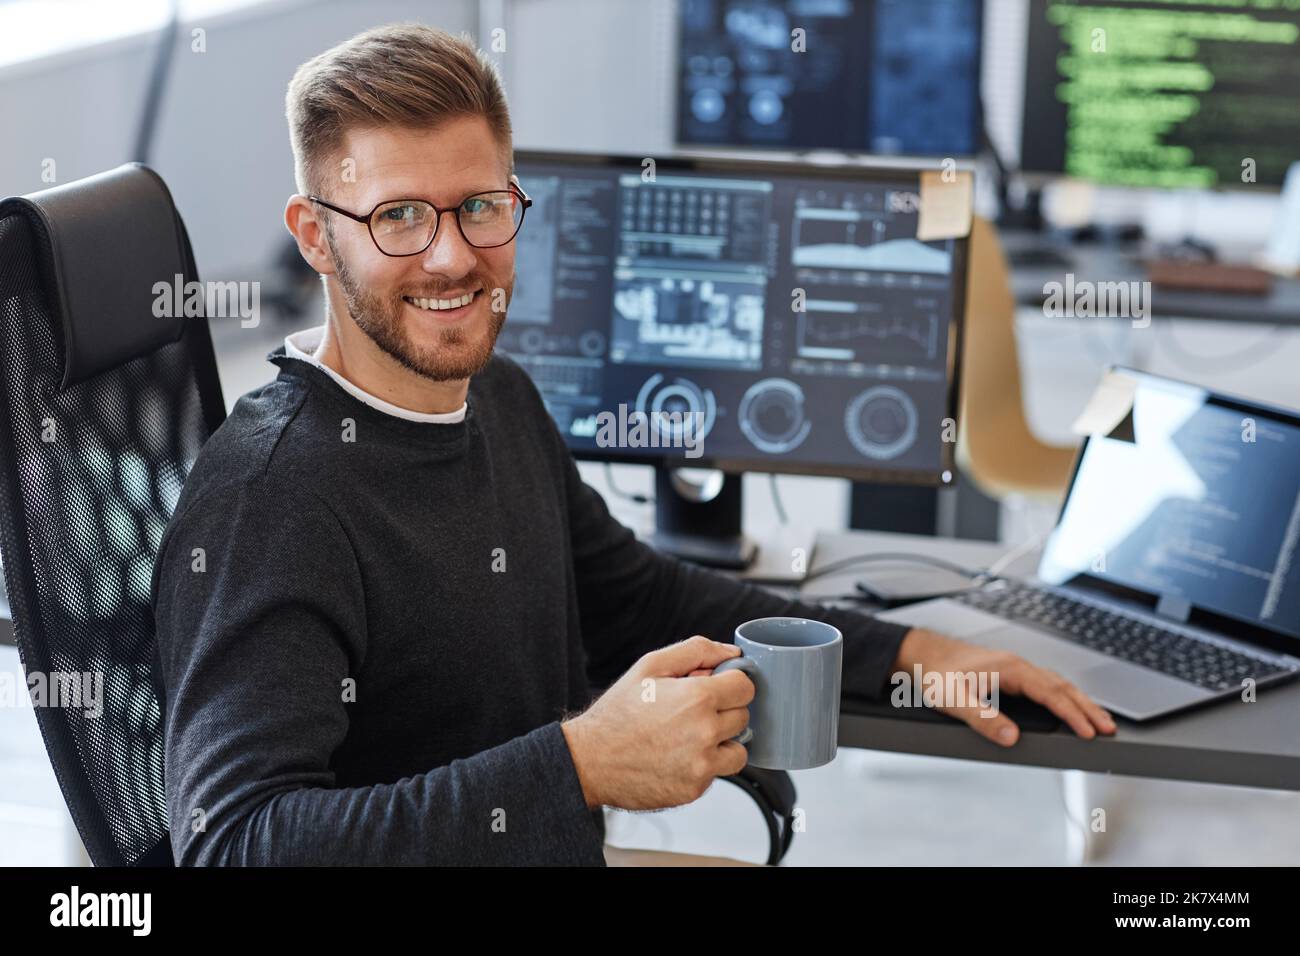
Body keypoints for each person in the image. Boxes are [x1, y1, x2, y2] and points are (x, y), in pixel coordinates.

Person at [151, 23, 1114, 867]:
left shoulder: (497, 395)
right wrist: (580, 765)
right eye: (398, 216)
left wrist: (917, 651)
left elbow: (638, 598)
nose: (452, 256)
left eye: (481, 206)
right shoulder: (273, 499)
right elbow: (237, 845)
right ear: (316, 238)